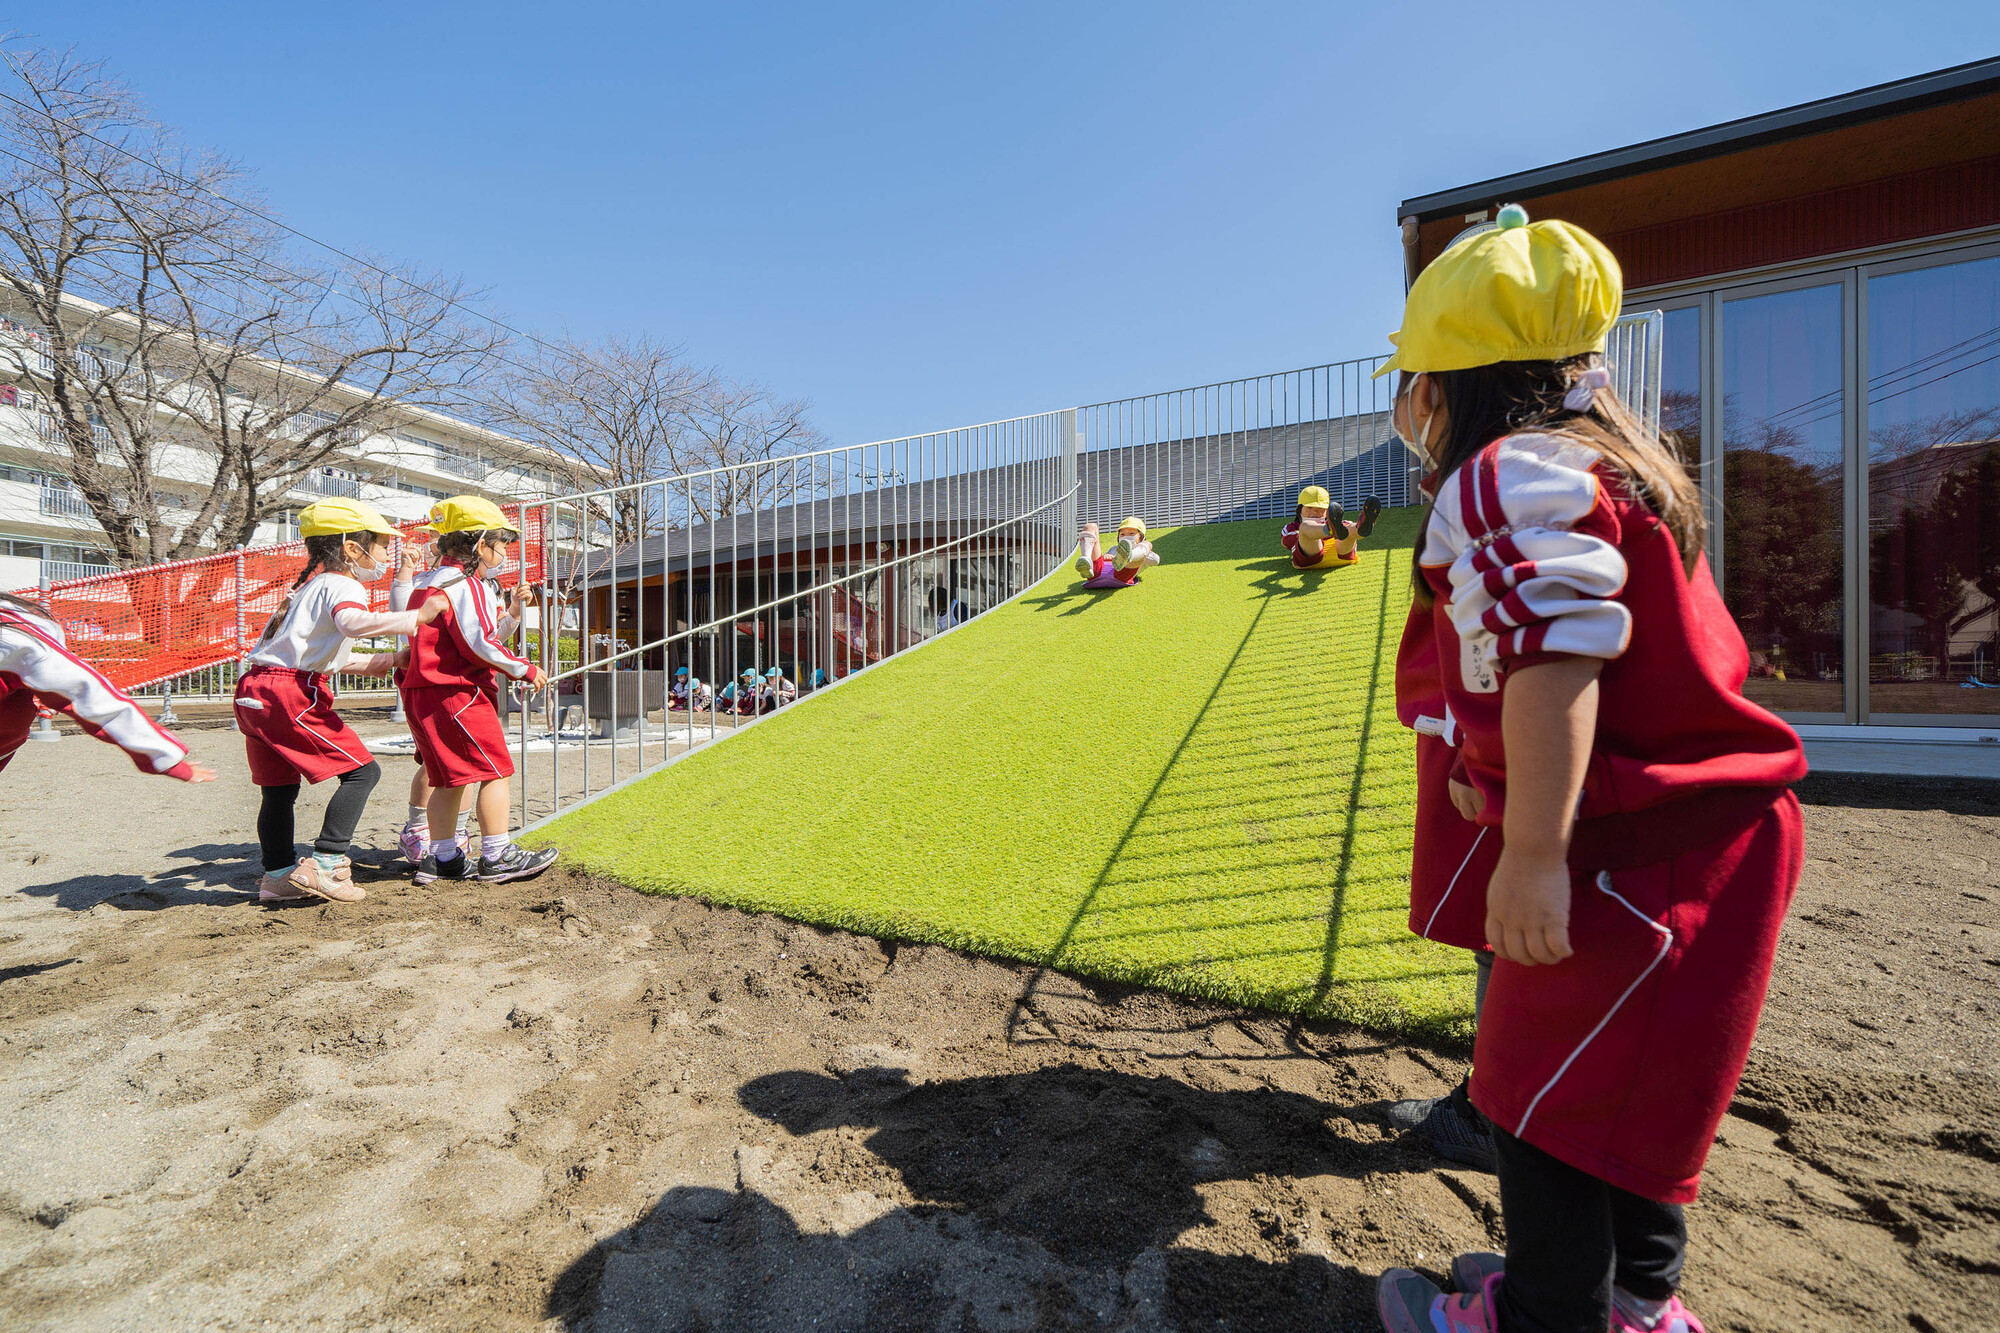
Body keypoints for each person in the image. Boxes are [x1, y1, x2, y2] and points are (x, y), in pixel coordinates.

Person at [1371, 207, 1806, 1333]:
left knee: (1533, 1101)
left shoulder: (1499, 476)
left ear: (1439, 383)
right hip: (1696, 837)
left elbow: (1551, 654)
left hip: (1619, 855)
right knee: (1635, 1097)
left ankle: (1546, 1313)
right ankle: (1635, 1301)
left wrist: (1529, 848)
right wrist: (1491, 771)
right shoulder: (1612, 459)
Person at [234, 499, 440, 905]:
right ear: (351, 547)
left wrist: (389, 660)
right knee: (364, 773)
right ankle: (327, 863)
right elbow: (351, 623)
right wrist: (416, 618)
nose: (384, 556)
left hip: (253, 692)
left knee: (277, 790)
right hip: (289, 692)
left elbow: (330, 654)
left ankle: (277, 876)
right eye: (381, 545)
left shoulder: (305, 588)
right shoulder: (344, 584)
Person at [1384, 599, 1502, 1172]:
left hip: (1492, 736)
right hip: (1475, 723)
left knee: (1503, 925)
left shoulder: (1493, 515)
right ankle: (1494, 1103)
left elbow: (1496, 623)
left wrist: (1483, 753)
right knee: (1499, 926)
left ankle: (1494, 1115)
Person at [401, 496, 559, 886]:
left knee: (447, 778)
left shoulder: (427, 581)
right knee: (496, 770)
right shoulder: (464, 583)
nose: (505, 550)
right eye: (501, 541)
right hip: (457, 691)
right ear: (479, 543)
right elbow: (479, 643)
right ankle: (497, 854)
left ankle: (444, 857)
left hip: (424, 691)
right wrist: (524, 668)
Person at [1, 592, 216, 785]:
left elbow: (82, 690)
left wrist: (162, 756)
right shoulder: (17, 630)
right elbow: (85, 691)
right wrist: (163, 756)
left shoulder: (17, 628)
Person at [390, 542, 471, 868]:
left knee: (452, 763)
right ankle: (425, 831)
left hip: (440, 682)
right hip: (432, 681)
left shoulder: (459, 583)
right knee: (443, 763)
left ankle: (447, 832)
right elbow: (402, 606)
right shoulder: (428, 583)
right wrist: (406, 569)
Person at [1281, 486, 1382, 569]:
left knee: (1349, 528)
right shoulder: (1293, 527)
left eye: (1320, 509)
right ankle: (1328, 529)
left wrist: (1351, 529)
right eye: (1309, 508)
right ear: (1299, 509)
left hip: (1342, 553)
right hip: (1311, 557)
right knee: (1305, 527)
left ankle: (1361, 528)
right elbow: (1286, 540)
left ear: (1326, 511)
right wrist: (1312, 532)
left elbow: (1347, 527)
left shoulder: (1338, 523)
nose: (1315, 512)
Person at [1072, 517, 1158, 589]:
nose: (1126, 537)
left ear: (1141, 537)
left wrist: (1135, 556)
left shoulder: (1144, 550)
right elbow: (1103, 559)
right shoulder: (1114, 549)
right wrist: (1107, 556)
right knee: (1090, 526)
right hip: (1096, 573)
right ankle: (1086, 559)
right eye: (1122, 534)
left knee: (1148, 544)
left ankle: (1129, 556)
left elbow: (1155, 560)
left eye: (1131, 533)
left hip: (1122, 575)